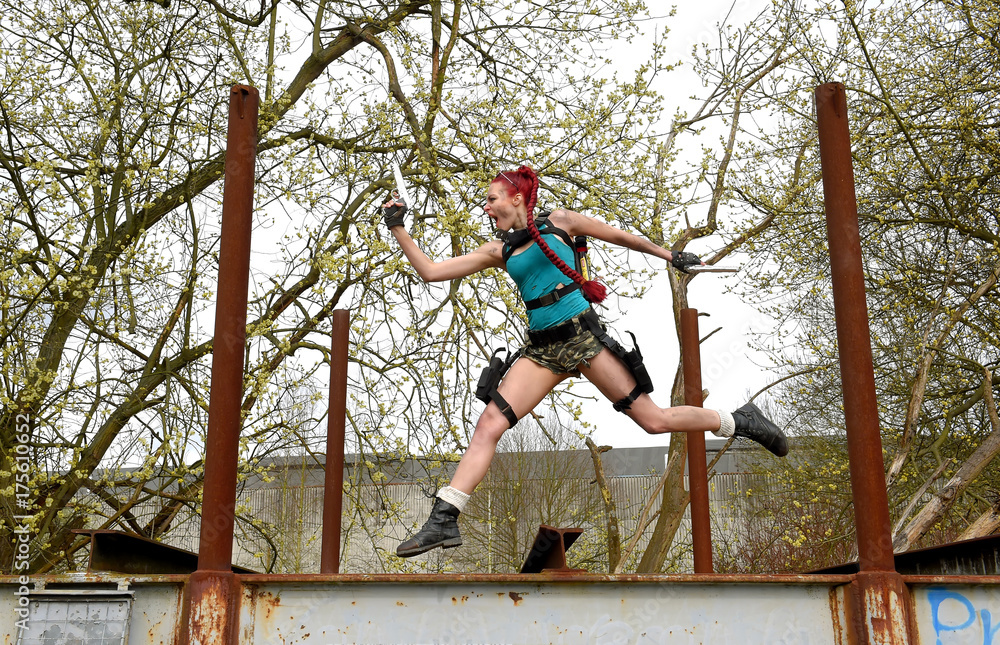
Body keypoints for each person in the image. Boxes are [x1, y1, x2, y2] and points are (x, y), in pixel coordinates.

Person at [382, 165, 788, 558]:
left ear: (517, 197)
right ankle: (444, 519)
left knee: (654, 421)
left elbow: (621, 237)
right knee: (489, 424)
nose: (486, 208)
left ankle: (739, 420)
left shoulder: (561, 222)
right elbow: (431, 272)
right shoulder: (500, 250)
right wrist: (398, 226)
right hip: (543, 350)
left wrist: (671, 255)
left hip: (582, 339)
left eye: (492, 199)